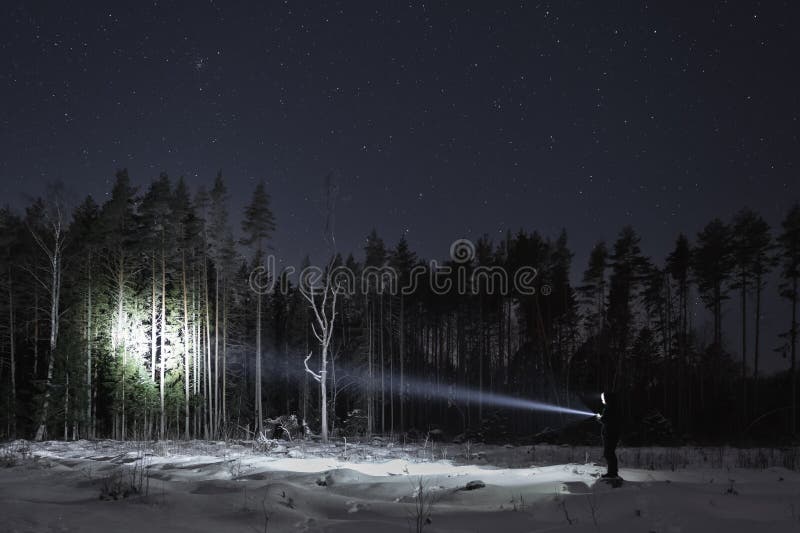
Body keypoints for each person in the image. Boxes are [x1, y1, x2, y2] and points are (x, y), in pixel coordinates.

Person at [595, 391, 621, 478]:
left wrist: (599, 418)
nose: (602, 399)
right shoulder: (612, 407)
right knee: (609, 453)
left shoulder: (609, 407)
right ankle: (612, 472)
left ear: (607, 398)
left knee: (609, 453)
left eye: (603, 397)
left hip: (610, 434)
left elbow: (605, 420)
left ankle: (612, 473)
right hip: (611, 434)